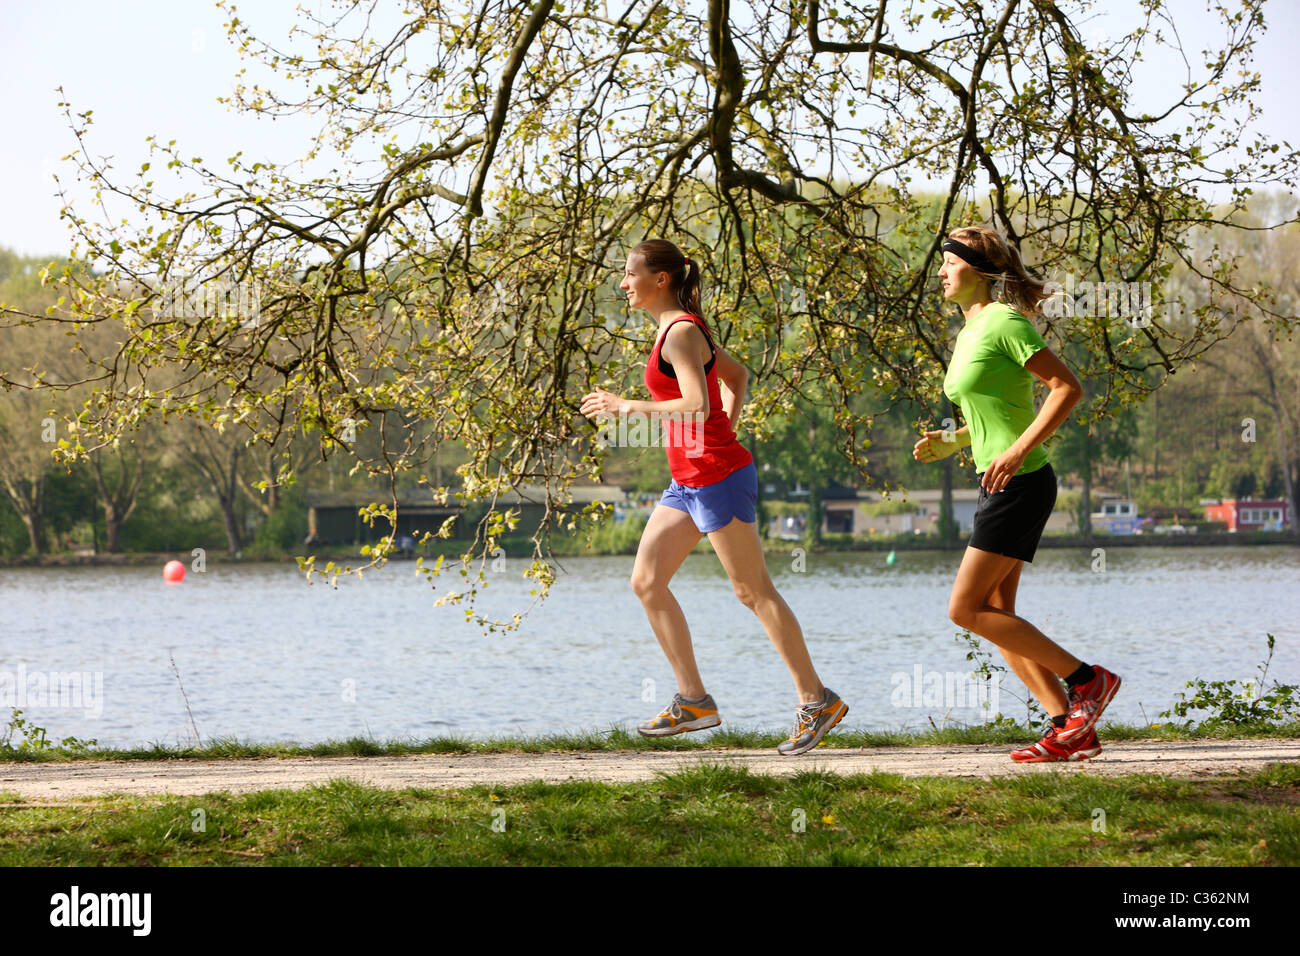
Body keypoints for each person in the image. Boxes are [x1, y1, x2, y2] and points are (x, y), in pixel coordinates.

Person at [580, 239, 847, 756]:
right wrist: (721, 432)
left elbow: (699, 404)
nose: (623, 282)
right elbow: (737, 377)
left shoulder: (680, 332)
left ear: (660, 279)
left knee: (753, 592)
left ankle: (817, 701)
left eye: (630, 273)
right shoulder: (676, 330)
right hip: (689, 479)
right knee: (647, 581)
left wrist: (628, 406)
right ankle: (694, 700)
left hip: (717, 477)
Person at [913, 226, 1121, 762]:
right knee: (998, 612)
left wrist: (1013, 452)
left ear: (977, 271)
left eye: (949, 263)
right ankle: (1069, 729)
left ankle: (1087, 681)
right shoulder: (969, 332)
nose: (940, 271)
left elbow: (1066, 388)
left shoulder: (1005, 320)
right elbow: (999, 411)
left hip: (1021, 480)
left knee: (964, 609)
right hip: (1000, 479)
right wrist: (954, 440)